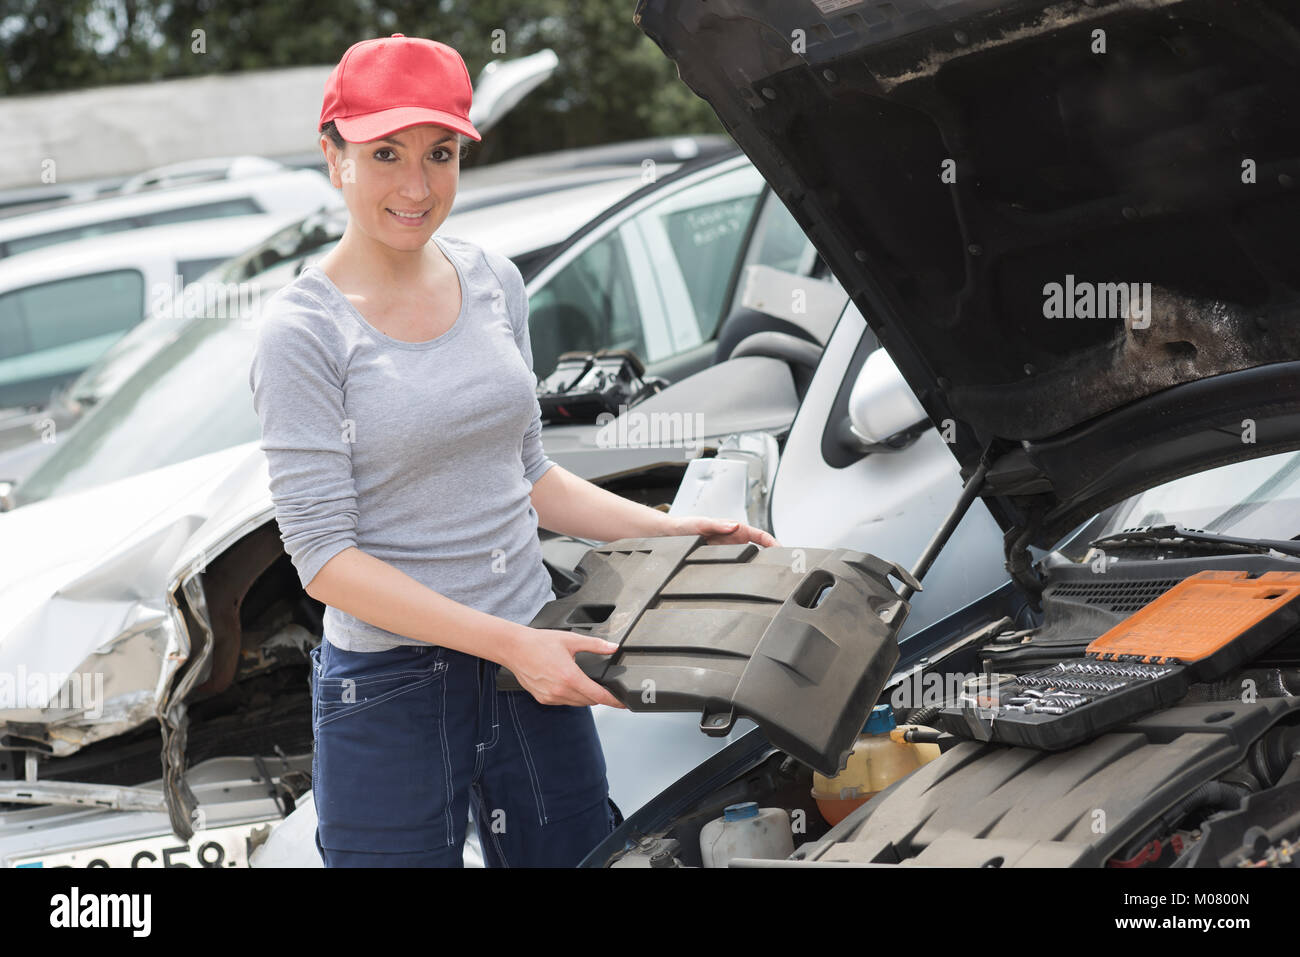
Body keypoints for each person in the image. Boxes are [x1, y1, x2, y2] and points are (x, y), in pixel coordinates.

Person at [248, 34, 776, 868]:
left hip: (533, 650)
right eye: (384, 153)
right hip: (390, 687)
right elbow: (323, 559)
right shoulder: (303, 332)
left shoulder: (494, 279)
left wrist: (675, 530)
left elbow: (531, 475)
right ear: (332, 155)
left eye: (441, 153)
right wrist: (508, 645)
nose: (417, 186)